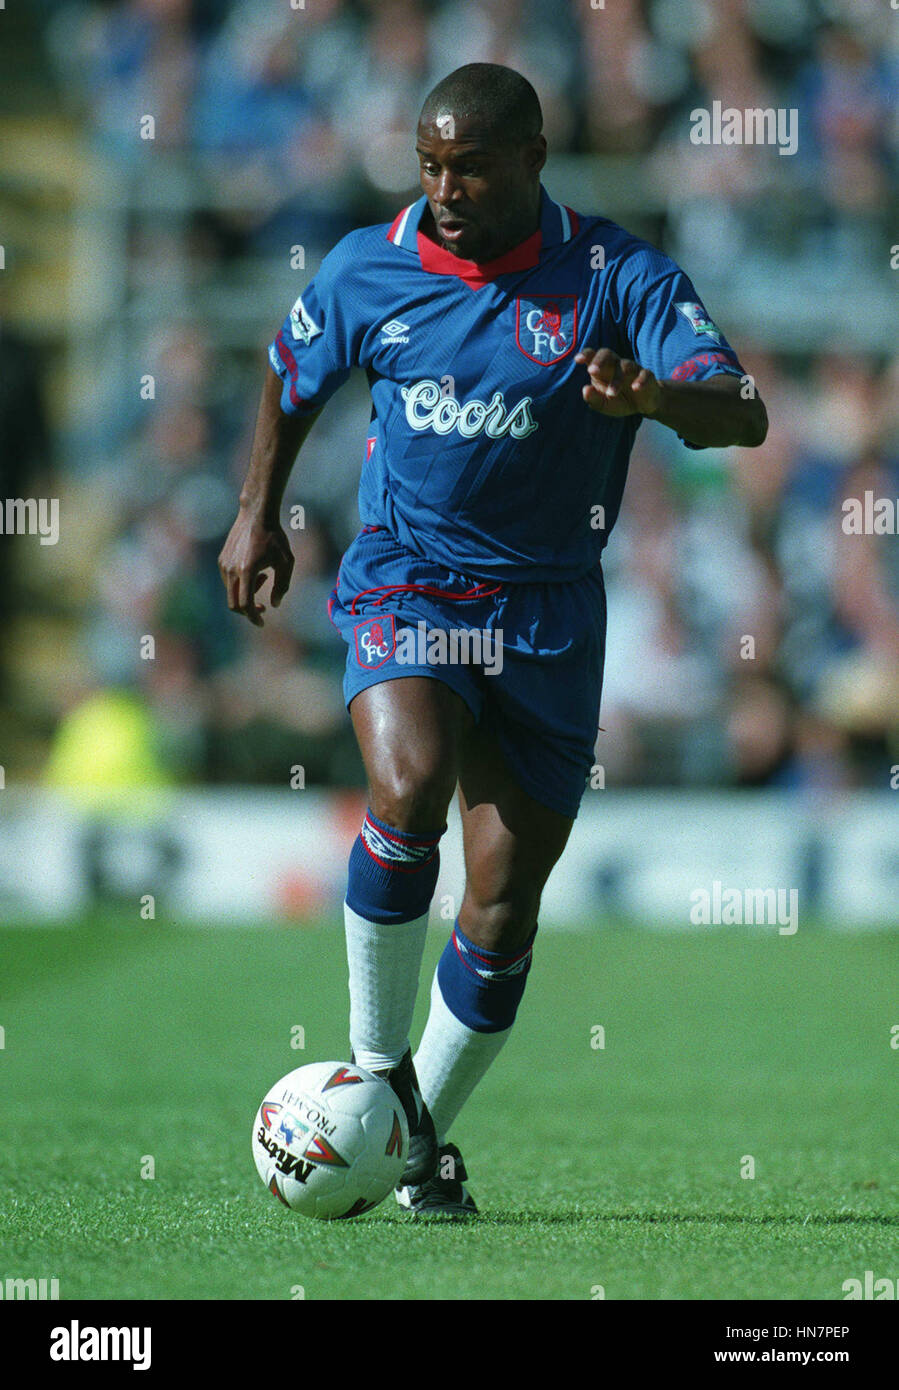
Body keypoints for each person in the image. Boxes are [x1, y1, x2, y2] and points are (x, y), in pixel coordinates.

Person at [219, 63, 768, 1218]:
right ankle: (370, 1077)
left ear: (530, 158)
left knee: (503, 902)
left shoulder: (617, 275)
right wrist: (256, 511)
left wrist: (654, 402)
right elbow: (286, 372)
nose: (443, 187)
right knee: (407, 784)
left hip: (549, 616)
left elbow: (742, 410)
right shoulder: (369, 265)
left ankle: (413, 1148)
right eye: (427, 164)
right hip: (407, 586)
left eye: (467, 165)